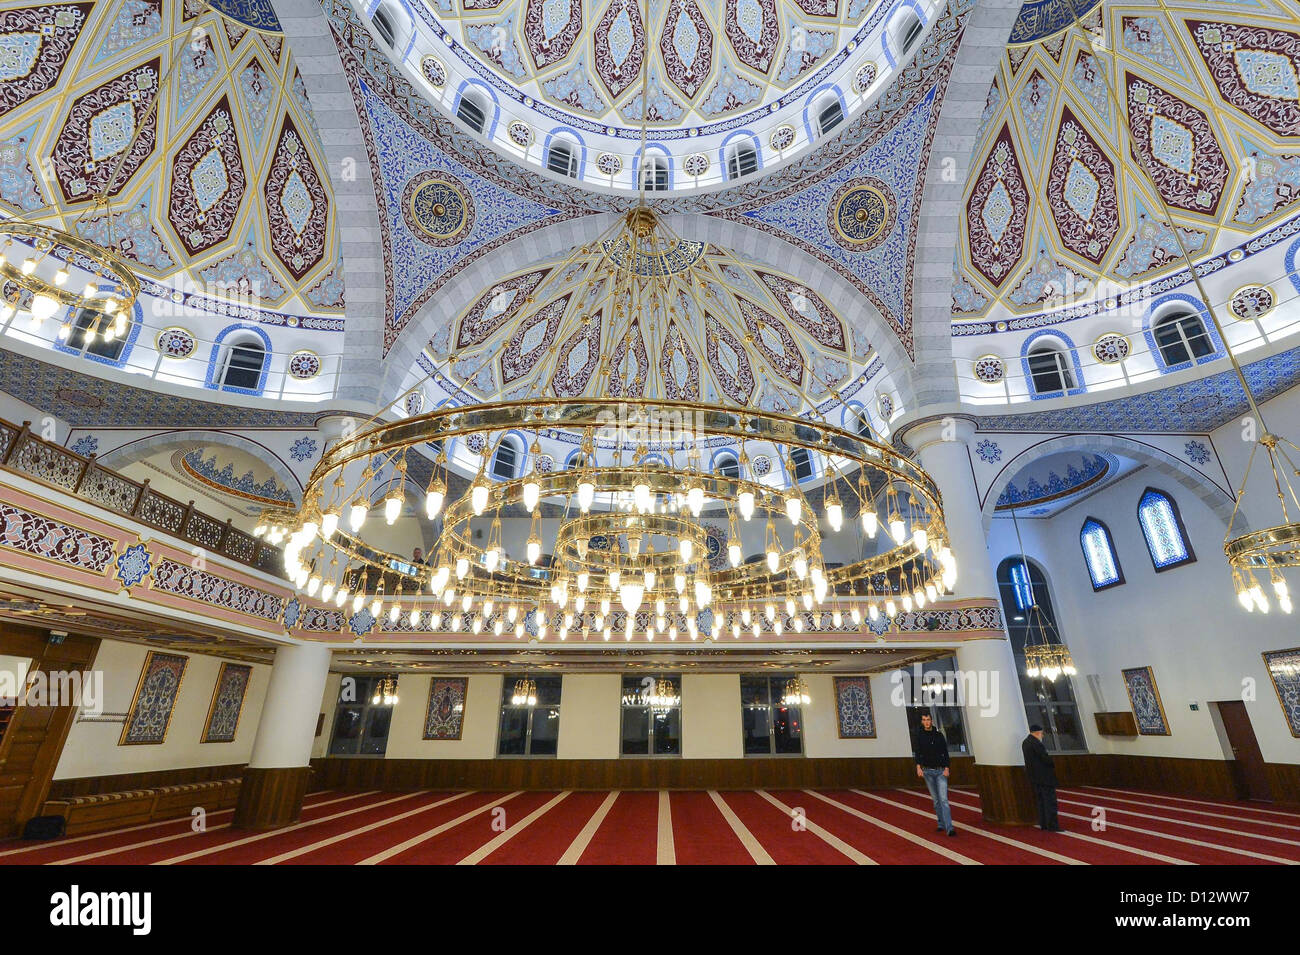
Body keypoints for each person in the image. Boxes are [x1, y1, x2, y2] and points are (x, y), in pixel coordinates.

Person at [913, 713, 956, 836]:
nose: (926, 722)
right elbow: (918, 753)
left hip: (941, 771)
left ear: (931, 721)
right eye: (924, 720)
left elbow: (945, 752)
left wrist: (947, 768)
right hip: (927, 771)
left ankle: (950, 828)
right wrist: (918, 767)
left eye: (928, 720)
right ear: (922, 722)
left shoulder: (939, 736)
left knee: (944, 799)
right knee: (936, 800)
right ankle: (941, 824)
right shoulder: (919, 737)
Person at [1022, 724, 1060, 831]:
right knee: (1049, 801)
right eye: (1041, 733)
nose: (1042, 736)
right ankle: (1052, 825)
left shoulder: (1025, 742)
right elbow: (1045, 759)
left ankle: (1044, 823)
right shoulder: (1036, 743)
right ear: (1038, 733)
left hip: (1034, 777)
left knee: (1040, 801)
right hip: (1044, 777)